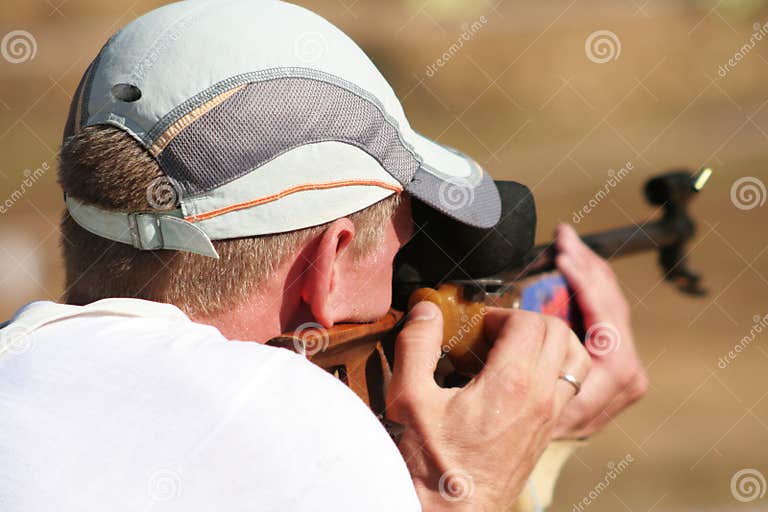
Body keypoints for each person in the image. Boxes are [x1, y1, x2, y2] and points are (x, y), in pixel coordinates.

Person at [0, 1, 647, 510]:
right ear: (328, 263)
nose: (401, 283)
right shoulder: (308, 435)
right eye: (401, 240)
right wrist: (463, 490)